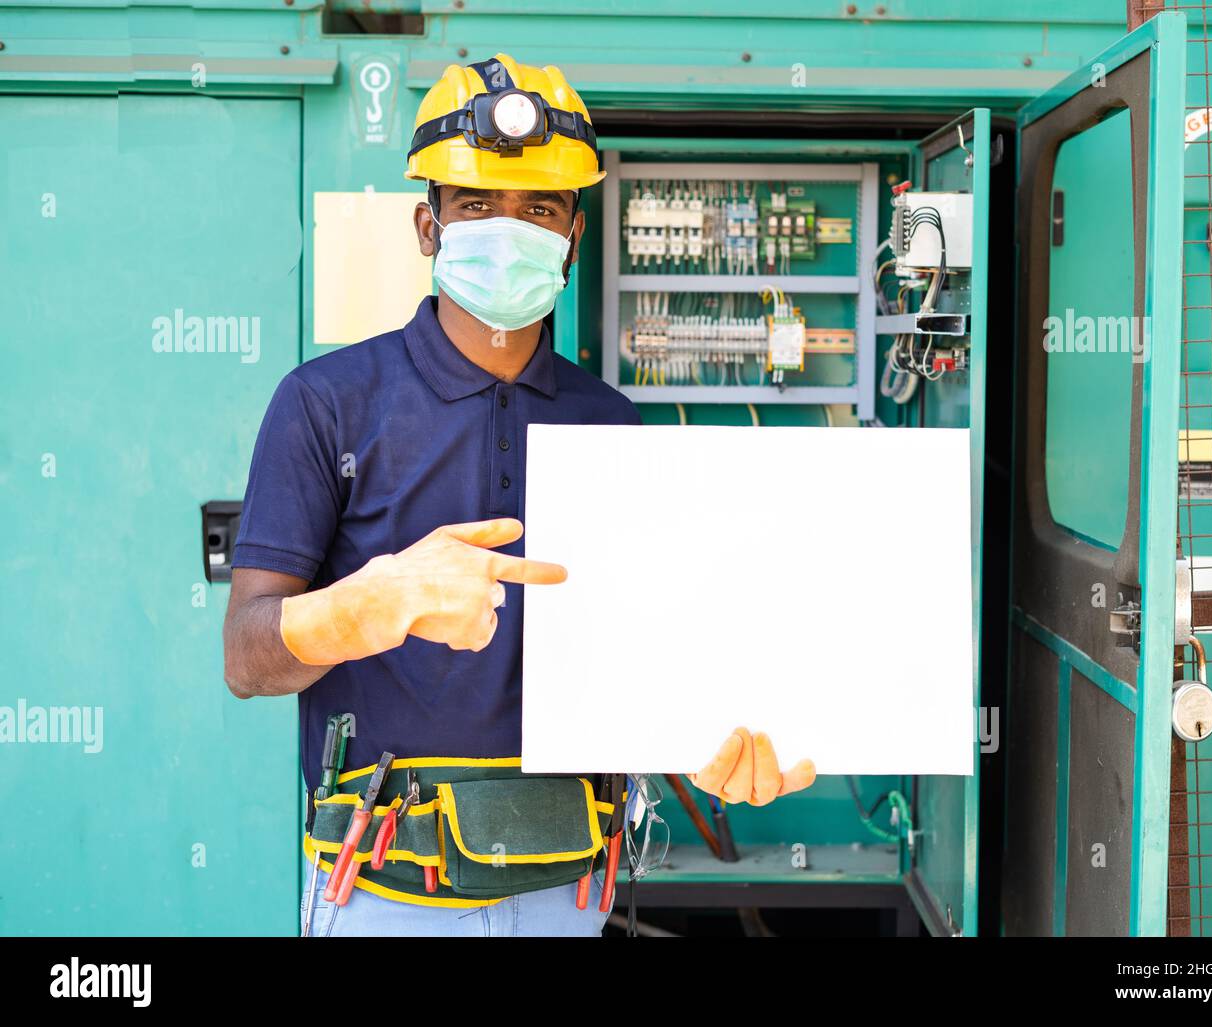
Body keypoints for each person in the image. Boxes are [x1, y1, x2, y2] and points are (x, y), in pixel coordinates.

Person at [222, 53, 815, 938]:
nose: (510, 230)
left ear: (574, 237)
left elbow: (644, 659)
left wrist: (717, 744)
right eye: (476, 206)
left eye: (539, 208)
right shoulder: (325, 403)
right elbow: (245, 657)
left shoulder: (609, 424)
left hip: (566, 892)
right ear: (428, 227)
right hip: (383, 891)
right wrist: (361, 610)